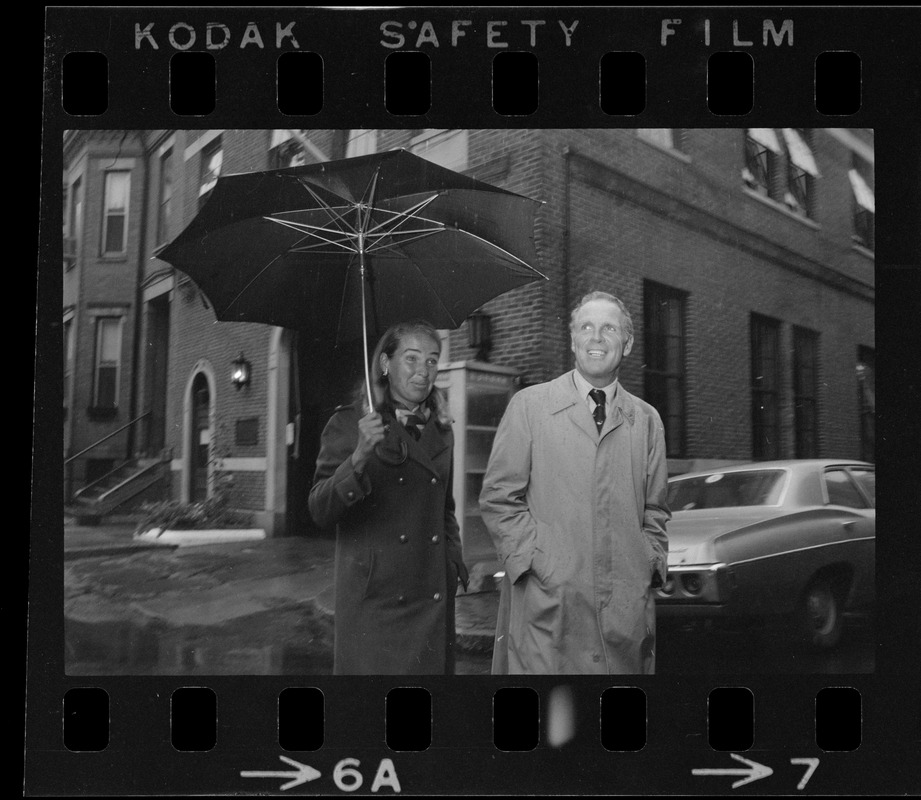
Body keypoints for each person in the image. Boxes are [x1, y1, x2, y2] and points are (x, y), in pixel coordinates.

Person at [479, 291, 670, 674]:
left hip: (623, 610)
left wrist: (646, 563)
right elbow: (499, 498)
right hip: (548, 608)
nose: (596, 338)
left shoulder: (647, 420)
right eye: (586, 327)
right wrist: (539, 564)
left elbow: (656, 510)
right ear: (572, 340)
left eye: (609, 329)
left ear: (627, 343)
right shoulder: (530, 407)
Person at [309, 320, 469, 675]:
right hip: (376, 600)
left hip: (430, 594)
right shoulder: (351, 423)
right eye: (411, 359)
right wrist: (359, 457)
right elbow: (320, 508)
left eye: (431, 360)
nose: (423, 371)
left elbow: (444, 507)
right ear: (385, 364)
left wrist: (451, 558)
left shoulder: (441, 427)